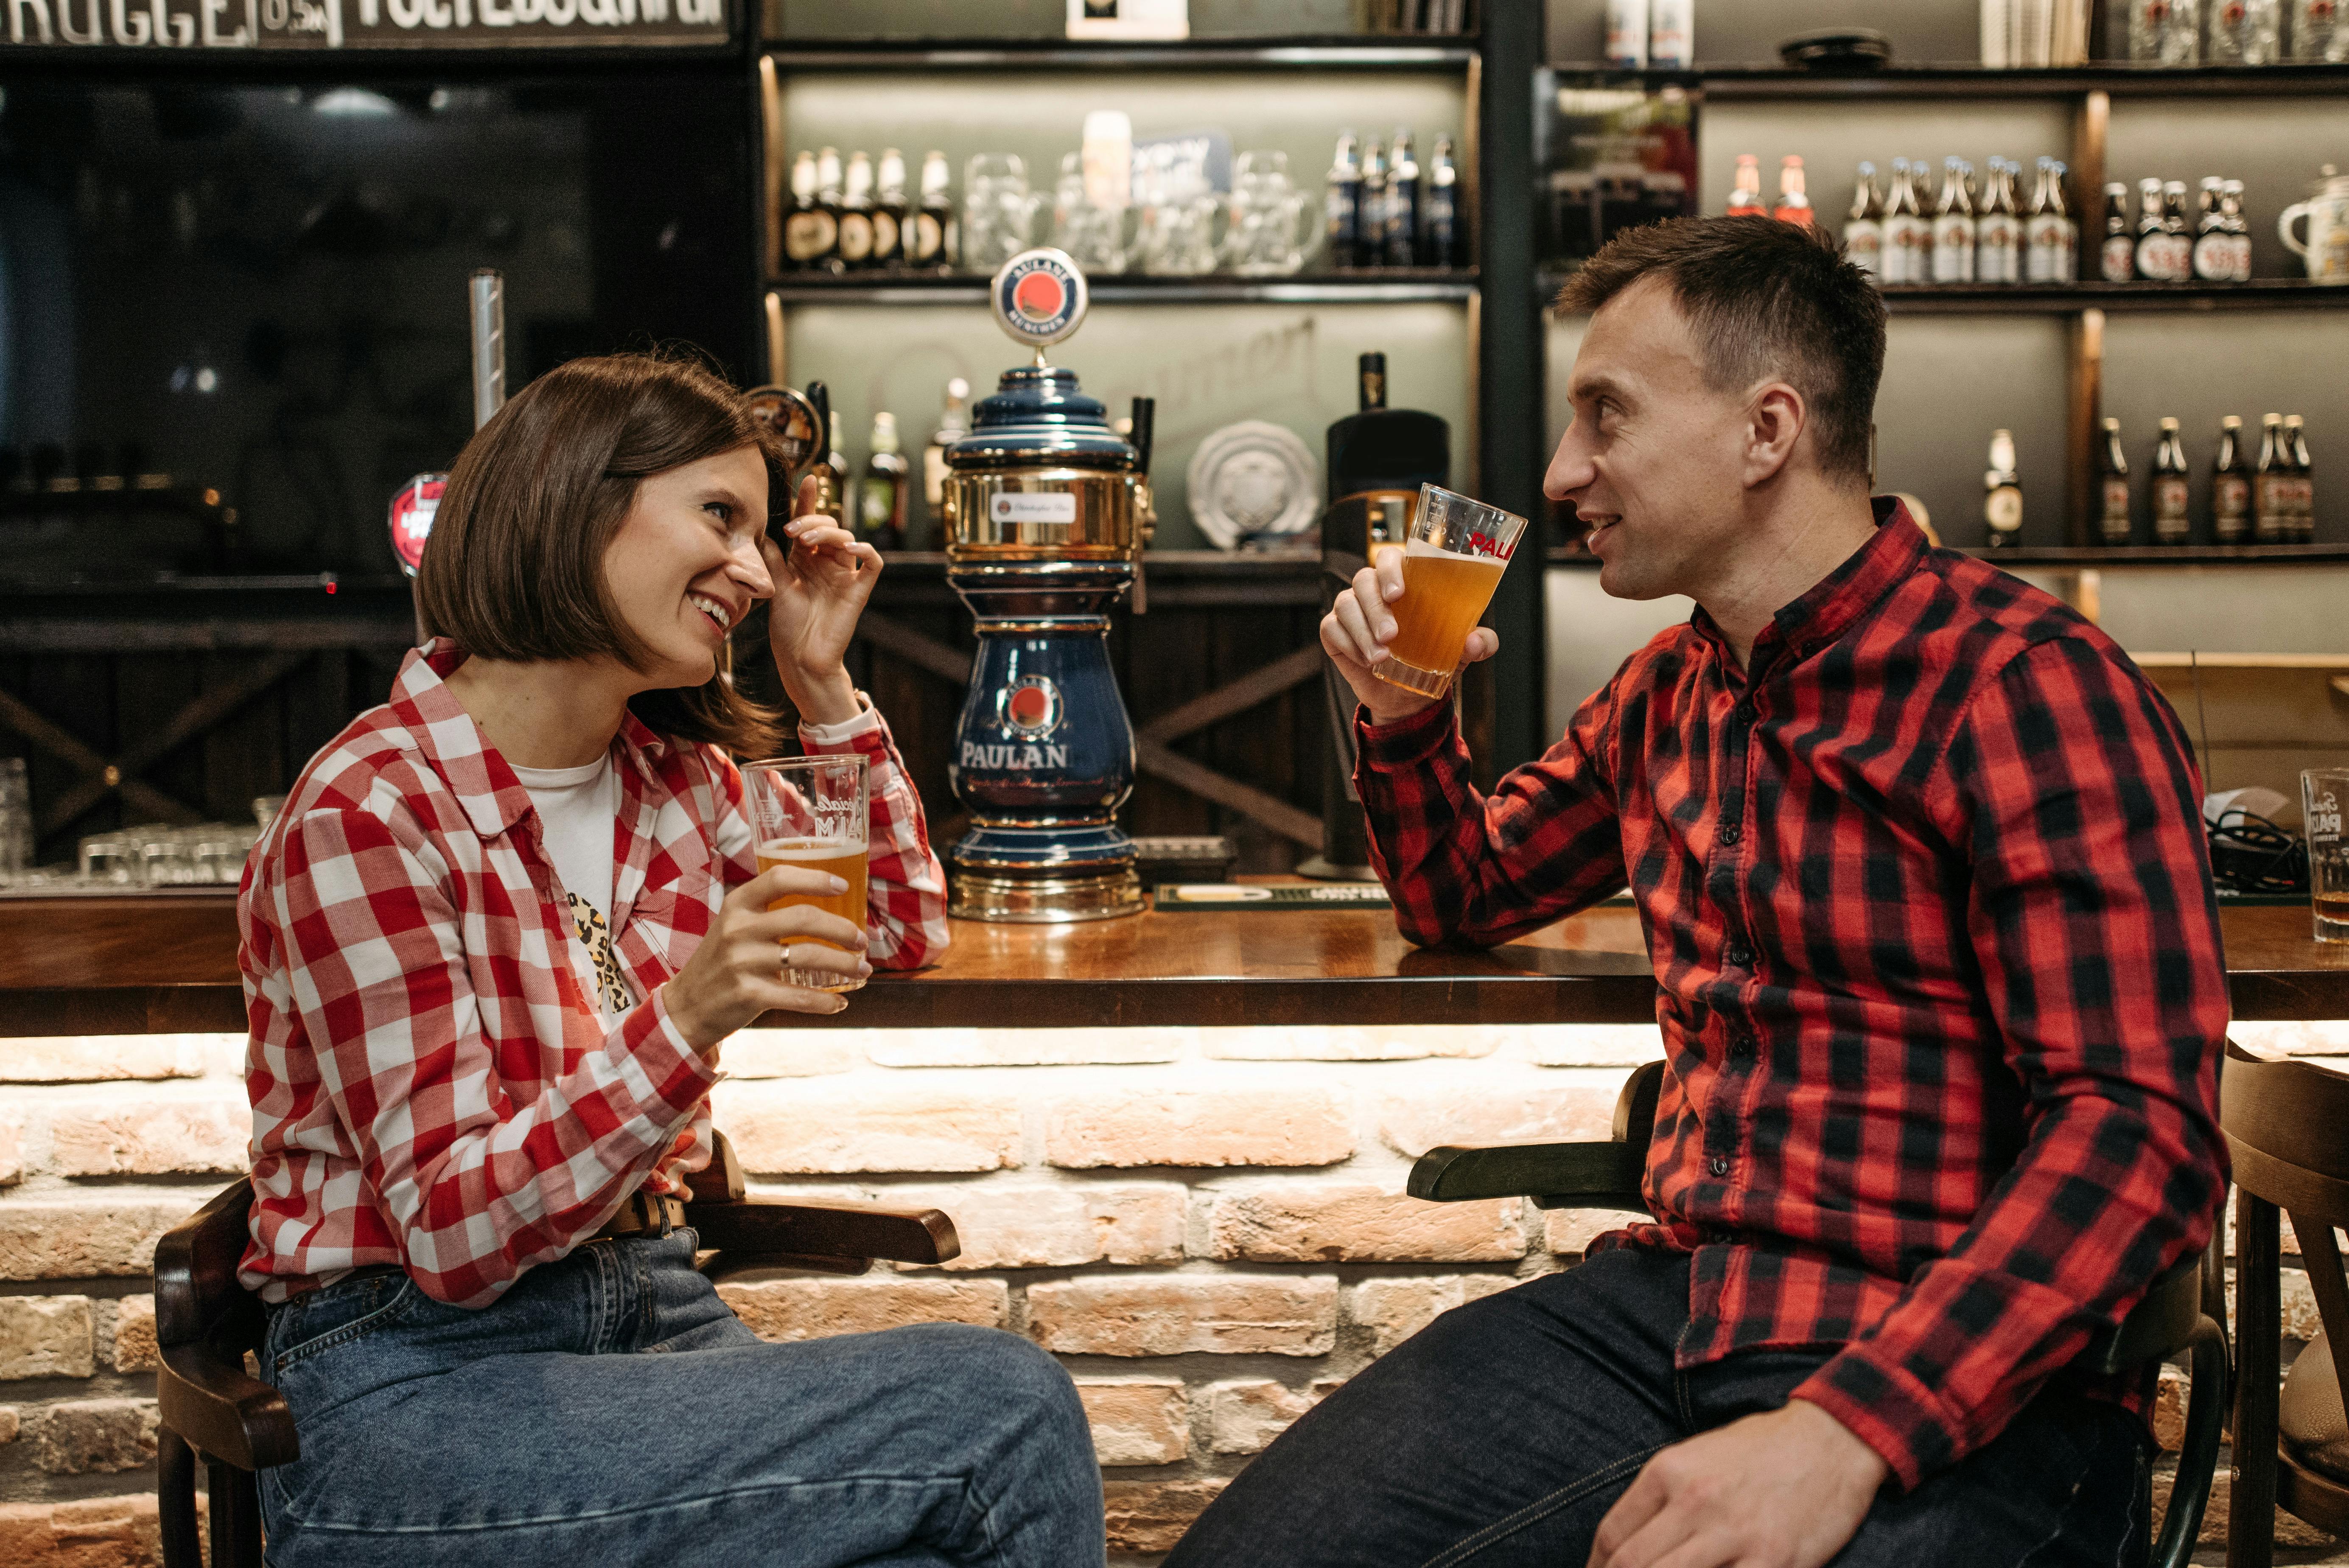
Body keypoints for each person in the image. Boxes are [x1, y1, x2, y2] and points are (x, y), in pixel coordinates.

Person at [1169, 217, 2229, 1568]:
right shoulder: (1670, 689)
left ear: (1765, 430)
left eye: (1604, 415)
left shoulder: (2026, 685)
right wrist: (1401, 711)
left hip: (1960, 1372)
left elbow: (2139, 1137)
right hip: (1671, 1313)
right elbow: (1460, 896)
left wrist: (1844, 1431)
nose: (1561, 472)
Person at [236, 353, 1103, 1568]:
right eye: (720, 518)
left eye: (760, 534)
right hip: (413, 1383)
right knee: (1001, 1406)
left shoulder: (676, 786)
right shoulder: (372, 808)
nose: (757, 572)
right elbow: (450, 1236)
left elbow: (902, 928)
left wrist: (819, 682)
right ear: (575, 500)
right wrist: (686, 1017)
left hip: (654, 1315)